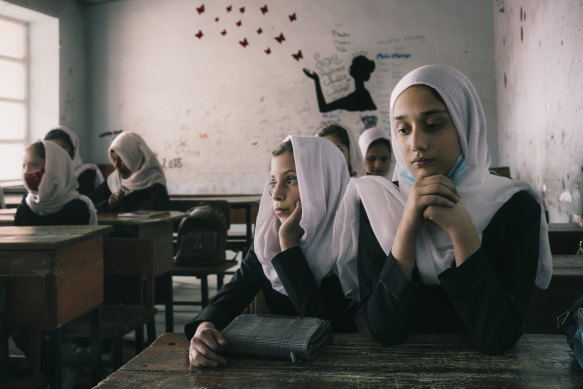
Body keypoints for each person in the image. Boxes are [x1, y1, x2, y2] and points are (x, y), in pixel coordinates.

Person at [334, 65, 552, 355]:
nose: (416, 143)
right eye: (403, 129)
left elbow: (497, 337)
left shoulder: (515, 207)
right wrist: (407, 228)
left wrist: (462, 231)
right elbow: (381, 331)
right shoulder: (378, 204)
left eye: (433, 124)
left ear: (465, 125)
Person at [186, 136, 355, 367]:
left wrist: (289, 244)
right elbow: (233, 293)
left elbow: (321, 319)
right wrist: (205, 326)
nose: (276, 194)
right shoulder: (268, 240)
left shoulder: (351, 243)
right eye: (273, 182)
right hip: (280, 367)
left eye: (292, 179)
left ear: (323, 184)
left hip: (342, 366)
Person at [14, 141, 97, 226]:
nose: (27, 172)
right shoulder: (24, 209)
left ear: (54, 168)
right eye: (24, 167)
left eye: (35, 165)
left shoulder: (78, 207)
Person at [89, 131, 169, 213]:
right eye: (113, 159)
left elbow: (158, 211)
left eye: (121, 159)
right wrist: (107, 205)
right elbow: (88, 205)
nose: (116, 165)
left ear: (134, 157)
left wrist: (123, 204)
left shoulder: (154, 181)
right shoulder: (114, 180)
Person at [44, 126, 105, 195]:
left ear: (73, 149)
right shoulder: (43, 172)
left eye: (63, 148)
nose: (58, 152)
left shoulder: (86, 172)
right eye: (52, 148)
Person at [303, 55, 377, 112]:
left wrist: (316, 80)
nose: (350, 66)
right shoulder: (362, 94)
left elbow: (324, 108)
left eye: (353, 65)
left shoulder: (356, 97)